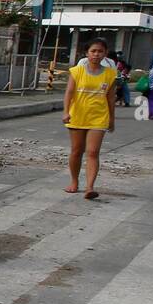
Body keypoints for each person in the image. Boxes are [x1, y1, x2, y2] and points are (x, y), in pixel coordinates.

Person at [62, 38, 117, 199]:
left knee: (93, 152)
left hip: (99, 117)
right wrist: (65, 111)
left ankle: (90, 187)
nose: (96, 54)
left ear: (105, 54)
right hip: (77, 115)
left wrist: (112, 119)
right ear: (87, 53)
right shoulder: (76, 71)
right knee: (77, 151)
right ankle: (74, 181)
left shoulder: (110, 74)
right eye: (93, 51)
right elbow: (69, 93)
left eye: (100, 51)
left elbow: (111, 98)